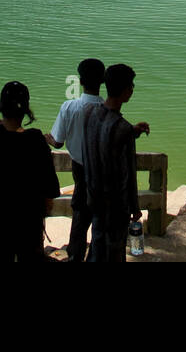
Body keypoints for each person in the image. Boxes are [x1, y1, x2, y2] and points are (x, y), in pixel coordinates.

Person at [0, 81, 61, 261]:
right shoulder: (35, 140)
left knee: (2, 257)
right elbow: (49, 184)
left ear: (1, 107)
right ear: (26, 111)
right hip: (28, 219)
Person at [82, 63, 149, 261]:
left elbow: (97, 143)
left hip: (93, 196)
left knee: (97, 243)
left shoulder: (88, 114)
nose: (132, 90)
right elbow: (129, 172)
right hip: (115, 205)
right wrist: (135, 207)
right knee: (114, 251)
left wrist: (132, 132)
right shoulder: (123, 128)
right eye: (131, 86)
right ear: (126, 90)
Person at [45, 58, 105, 262]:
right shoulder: (107, 110)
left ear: (80, 81)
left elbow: (58, 142)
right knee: (100, 219)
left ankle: (75, 256)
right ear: (102, 81)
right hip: (104, 172)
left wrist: (45, 137)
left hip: (80, 170)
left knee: (80, 218)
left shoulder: (69, 107)